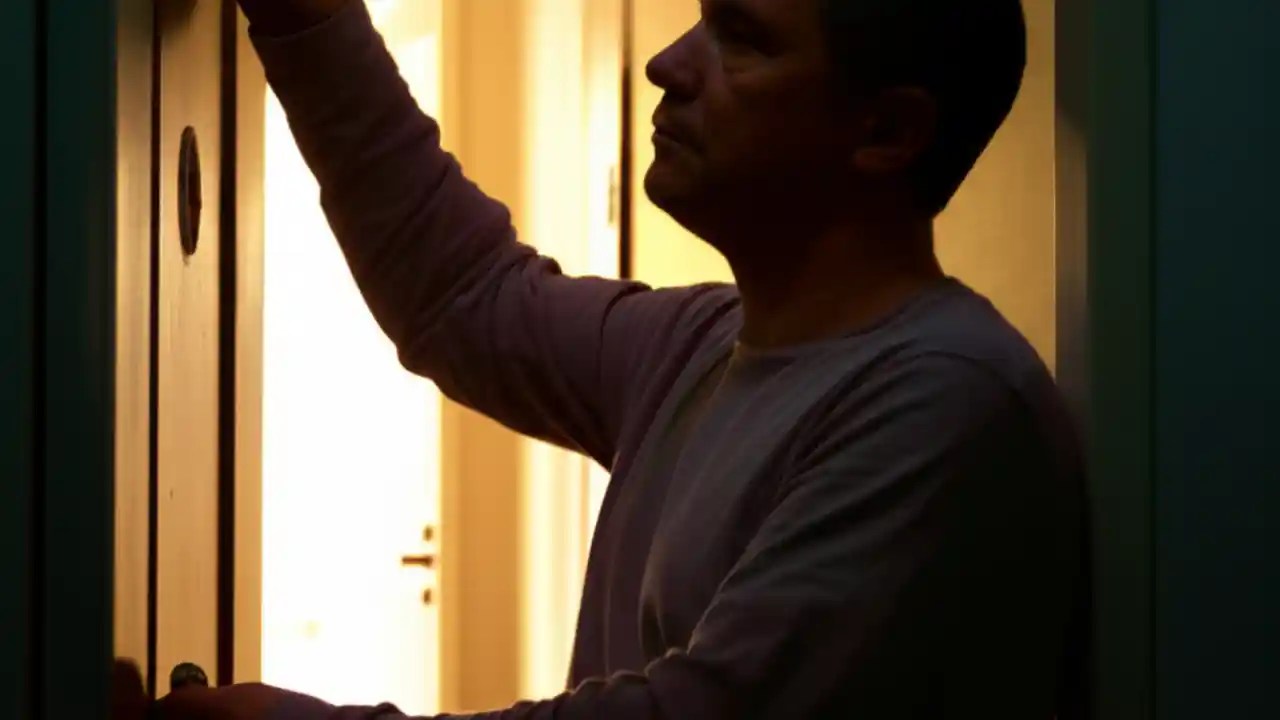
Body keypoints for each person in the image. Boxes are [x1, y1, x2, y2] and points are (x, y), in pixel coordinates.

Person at [149, 0, 1090, 717]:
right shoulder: (700, 346)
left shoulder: (943, 405)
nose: (668, 64)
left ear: (885, 133)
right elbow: (458, 295)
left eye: (744, 38)